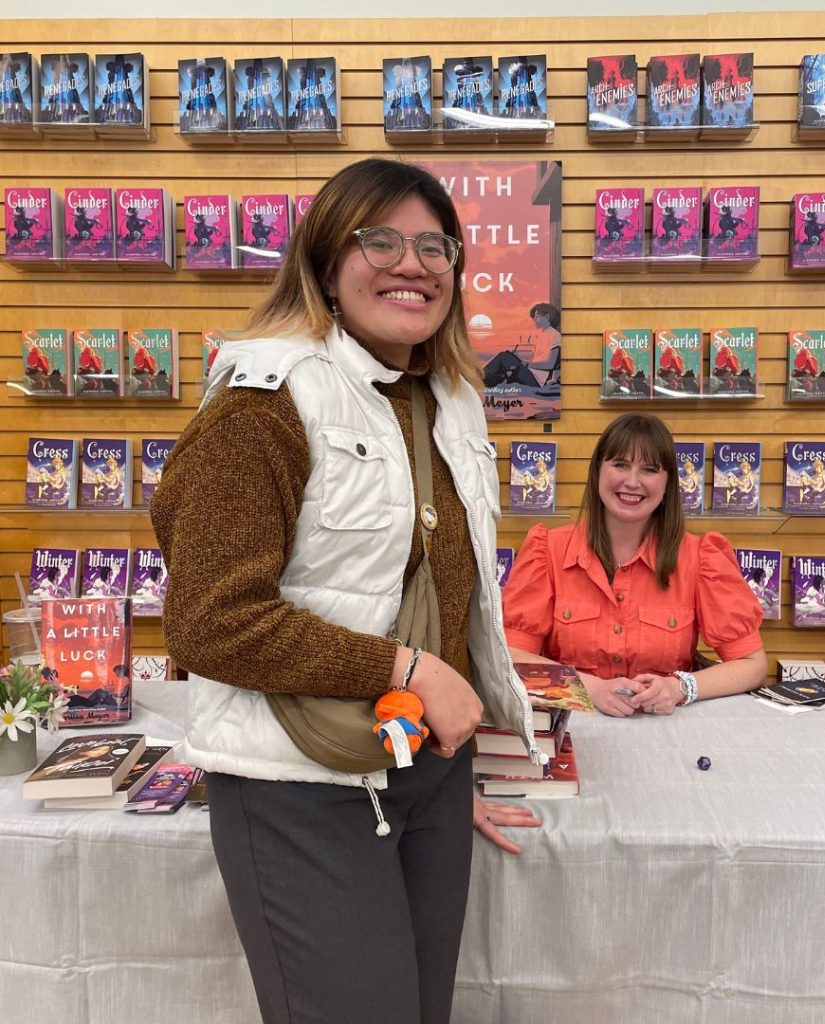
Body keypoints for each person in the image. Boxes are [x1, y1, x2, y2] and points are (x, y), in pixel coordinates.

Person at [150, 158, 540, 1024]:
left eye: (436, 247)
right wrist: (410, 670)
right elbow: (210, 622)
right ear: (327, 264)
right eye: (382, 241)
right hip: (299, 786)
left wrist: (452, 754)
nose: (414, 265)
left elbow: (437, 594)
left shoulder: (448, 400)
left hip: (423, 770)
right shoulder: (263, 401)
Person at [501, 413, 766, 717]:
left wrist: (679, 688)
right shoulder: (547, 551)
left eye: (649, 469)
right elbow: (512, 658)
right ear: (597, 471)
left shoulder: (700, 557)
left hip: (667, 731)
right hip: (573, 728)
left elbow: (753, 665)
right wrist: (590, 689)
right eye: (620, 464)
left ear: (667, 484)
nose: (632, 482)